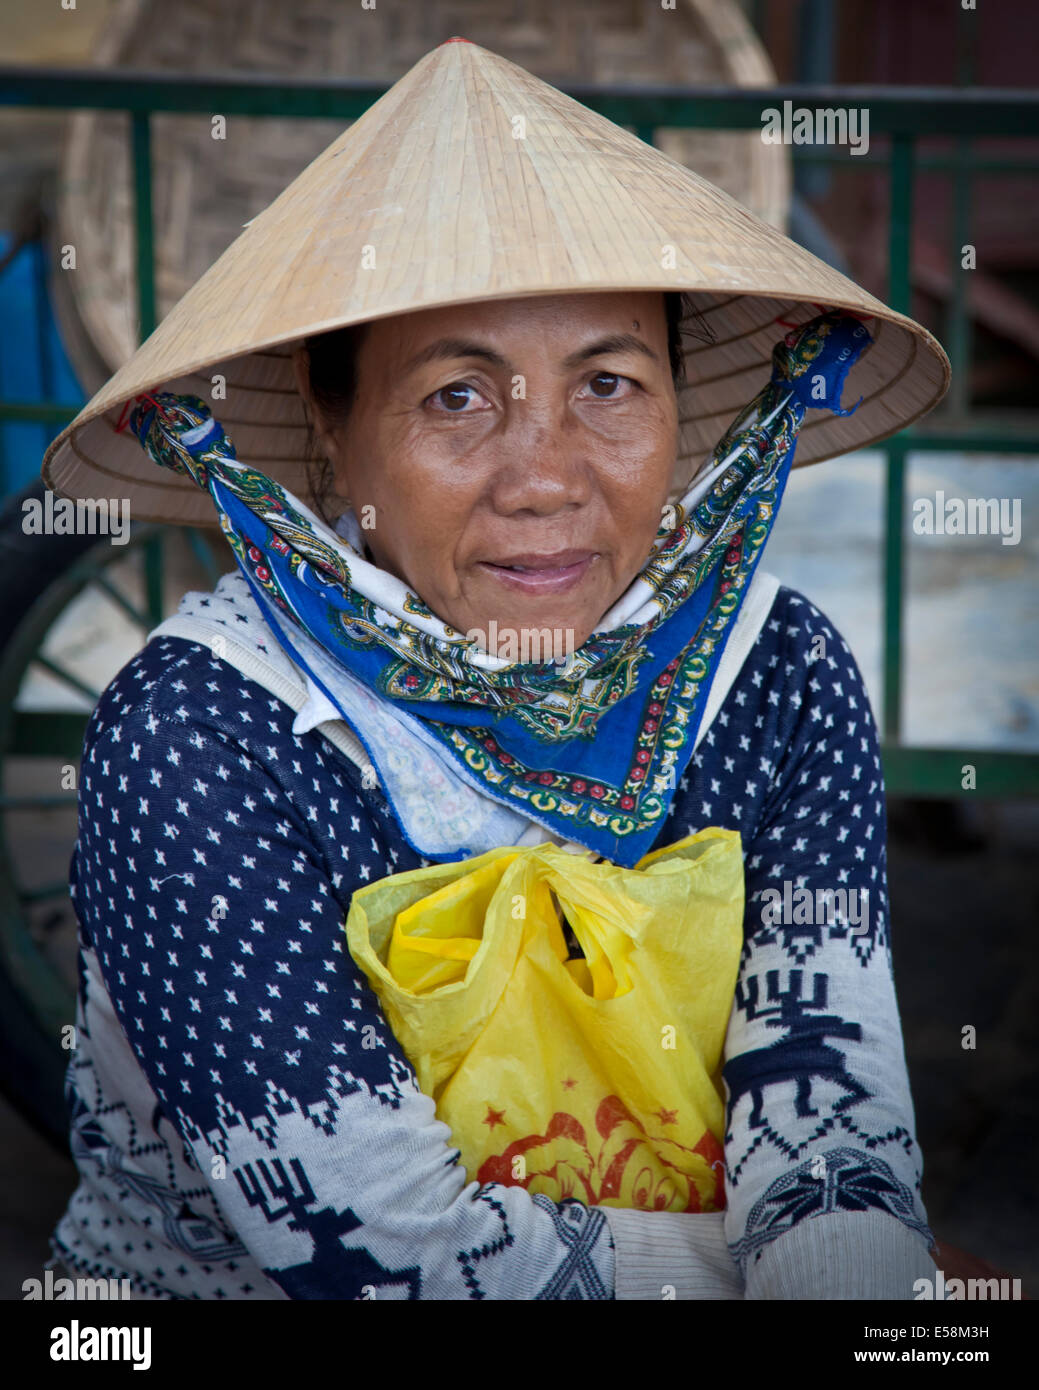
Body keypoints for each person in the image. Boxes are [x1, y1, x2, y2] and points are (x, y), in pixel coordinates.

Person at [42, 39, 953, 1300]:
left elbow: (828, 1122)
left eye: (610, 384)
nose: (546, 477)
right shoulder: (200, 736)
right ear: (336, 439)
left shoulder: (777, 672)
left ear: (680, 415)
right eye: (459, 397)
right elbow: (394, 1261)